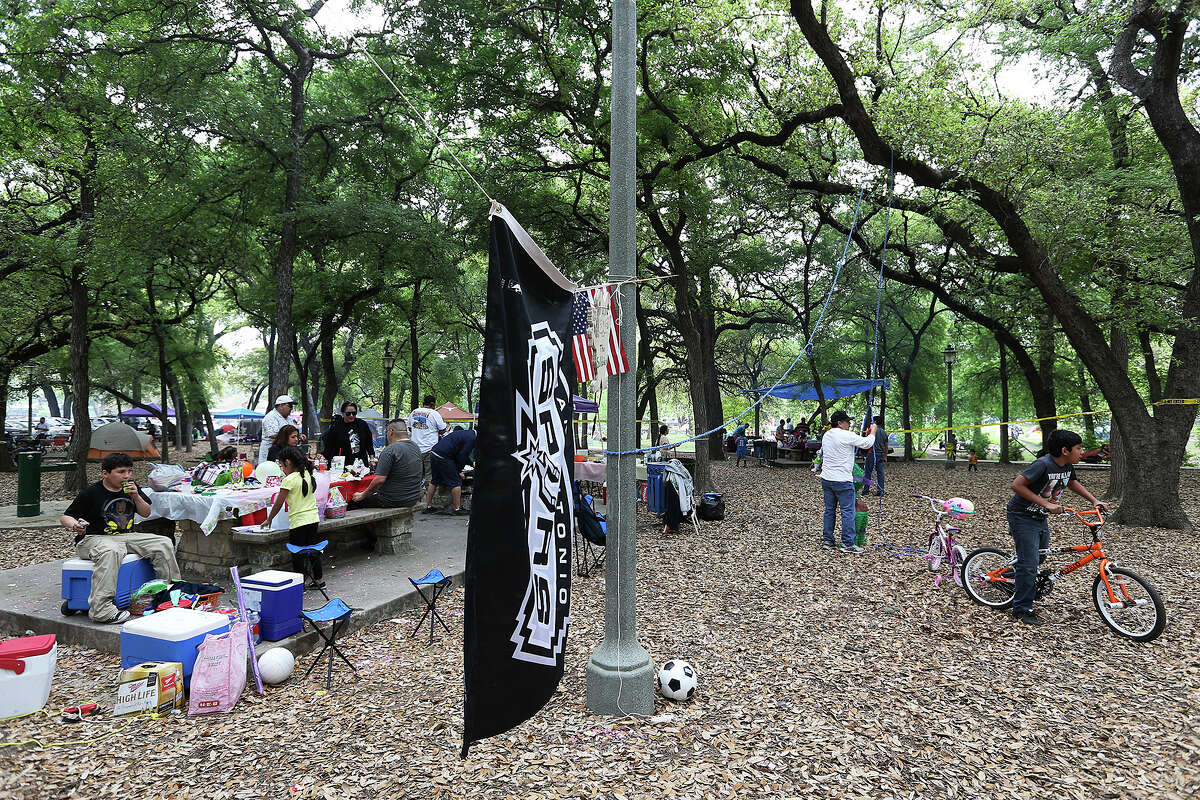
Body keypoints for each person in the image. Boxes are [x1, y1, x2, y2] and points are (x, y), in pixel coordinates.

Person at [60, 453, 181, 623]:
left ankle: (170, 594)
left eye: (129, 471)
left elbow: (146, 513)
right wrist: (75, 526)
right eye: (121, 472)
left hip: (126, 536)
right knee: (112, 550)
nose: (126, 476)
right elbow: (66, 516)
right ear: (105, 473)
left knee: (163, 542)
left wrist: (136, 496)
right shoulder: (91, 493)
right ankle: (102, 610)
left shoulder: (132, 488)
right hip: (93, 538)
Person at [1005, 429, 1106, 626]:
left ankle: (1014, 577)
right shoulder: (1043, 464)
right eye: (1078, 448)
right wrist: (1047, 504)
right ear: (1065, 450)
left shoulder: (1067, 466)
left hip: (1040, 516)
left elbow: (1072, 483)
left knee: (1039, 556)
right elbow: (1017, 485)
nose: (1081, 451)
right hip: (1022, 515)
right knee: (1030, 563)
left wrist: (1094, 500)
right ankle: (1022, 609)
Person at [265, 446, 324, 591]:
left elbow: (278, 503)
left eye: (281, 465)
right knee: (312, 551)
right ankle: (319, 580)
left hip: (298, 522)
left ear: (288, 462)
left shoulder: (289, 480)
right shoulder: (308, 475)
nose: (281, 469)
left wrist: (269, 519)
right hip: (313, 519)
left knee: (297, 554)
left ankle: (299, 584)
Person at [819, 410, 877, 554]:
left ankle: (828, 541)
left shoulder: (827, 435)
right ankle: (848, 543)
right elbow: (867, 443)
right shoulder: (846, 435)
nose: (849, 424)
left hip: (827, 479)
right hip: (842, 480)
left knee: (829, 510)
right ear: (839, 423)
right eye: (847, 421)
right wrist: (873, 431)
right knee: (848, 512)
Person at [350, 420, 423, 509]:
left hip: (393, 500)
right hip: (413, 498)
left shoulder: (390, 450)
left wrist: (362, 495)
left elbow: (379, 480)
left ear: (391, 432)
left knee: (352, 501)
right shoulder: (416, 447)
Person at [422, 427, 476, 516]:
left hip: (434, 452)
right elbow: (462, 455)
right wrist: (459, 471)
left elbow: (461, 453)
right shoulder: (472, 438)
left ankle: (428, 507)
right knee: (456, 482)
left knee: (435, 480)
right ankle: (457, 509)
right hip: (444, 456)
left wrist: (471, 463)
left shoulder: (467, 434)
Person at [407, 395, 448, 487]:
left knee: (416, 476)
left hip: (415, 449)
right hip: (430, 449)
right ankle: (428, 499)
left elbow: (410, 428)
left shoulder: (414, 412)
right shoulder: (434, 413)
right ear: (433, 404)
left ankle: (414, 498)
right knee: (430, 477)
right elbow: (443, 430)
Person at [322, 401, 375, 467]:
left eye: (354, 413)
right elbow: (329, 446)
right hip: (341, 463)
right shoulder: (336, 426)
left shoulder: (362, 424)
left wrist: (372, 459)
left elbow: (369, 444)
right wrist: (325, 459)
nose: (351, 415)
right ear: (343, 413)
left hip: (360, 462)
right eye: (348, 413)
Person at [259, 395, 296, 464]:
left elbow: (293, 432)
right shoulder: (270, 417)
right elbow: (272, 435)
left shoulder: (289, 418)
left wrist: (298, 436)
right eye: (290, 405)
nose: (291, 408)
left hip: (284, 452)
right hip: (271, 452)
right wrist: (290, 436)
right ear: (281, 405)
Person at [862, 416, 887, 496]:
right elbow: (886, 445)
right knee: (880, 473)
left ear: (875, 422)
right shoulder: (884, 432)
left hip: (871, 454)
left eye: (872, 421)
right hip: (880, 454)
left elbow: (866, 442)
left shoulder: (870, 431)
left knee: (868, 472)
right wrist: (885, 456)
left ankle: (866, 490)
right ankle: (881, 490)